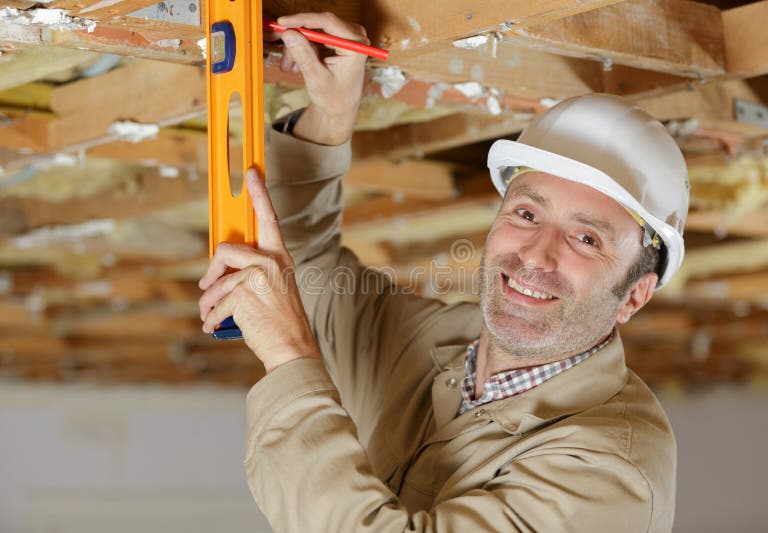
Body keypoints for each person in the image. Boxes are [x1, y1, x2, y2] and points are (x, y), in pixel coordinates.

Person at [198, 11, 688, 533]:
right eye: (526, 213)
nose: (536, 255)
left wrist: (289, 355)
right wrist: (331, 117)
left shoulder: (610, 470)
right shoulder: (435, 342)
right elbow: (303, 266)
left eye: (586, 239)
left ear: (635, 295)